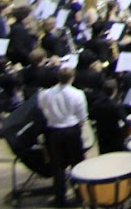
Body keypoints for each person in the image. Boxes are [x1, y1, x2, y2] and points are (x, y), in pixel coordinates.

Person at [39, 65, 88, 207]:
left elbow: (43, 110)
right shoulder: (77, 94)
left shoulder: (46, 94)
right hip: (72, 130)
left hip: (54, 131)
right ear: (72, 78)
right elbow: (82, 116)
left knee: (58, 166)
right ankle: (81, 195)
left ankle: (60, 199)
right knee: (77, 163)